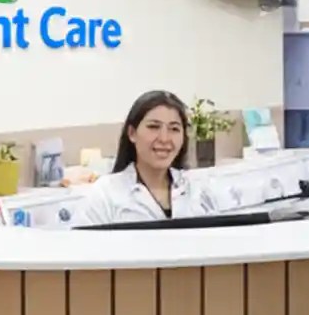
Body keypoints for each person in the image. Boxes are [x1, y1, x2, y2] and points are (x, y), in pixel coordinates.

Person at [75, 90, 215, 226]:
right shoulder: (106, 193)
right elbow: (85, 247)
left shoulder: (197, 190)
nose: (164, 139)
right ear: (132, 133)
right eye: (153, 127)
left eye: (174, 129)